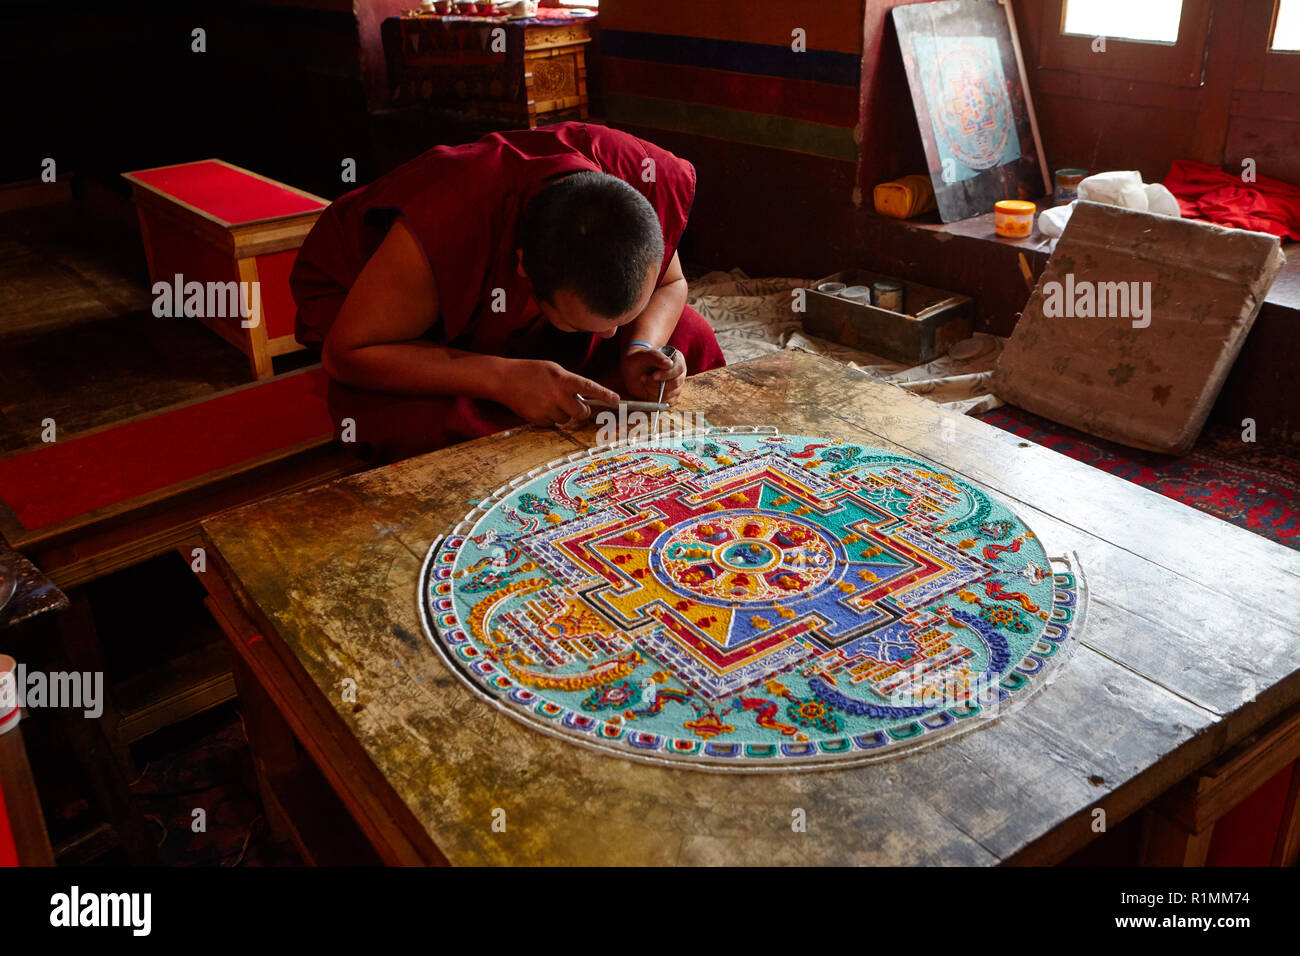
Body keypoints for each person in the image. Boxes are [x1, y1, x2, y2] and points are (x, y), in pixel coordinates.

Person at [289, 121, 726, 463]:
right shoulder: (447, 222)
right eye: (586, 324)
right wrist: (504, 379)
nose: (611, 335)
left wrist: (641, 347)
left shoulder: (638, 177)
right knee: (422, 426)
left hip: (533, 315)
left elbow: (671, 284)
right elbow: (347, 353)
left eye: (617, 323)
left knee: (690, 335)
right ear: (523, 270)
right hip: (399, 323)